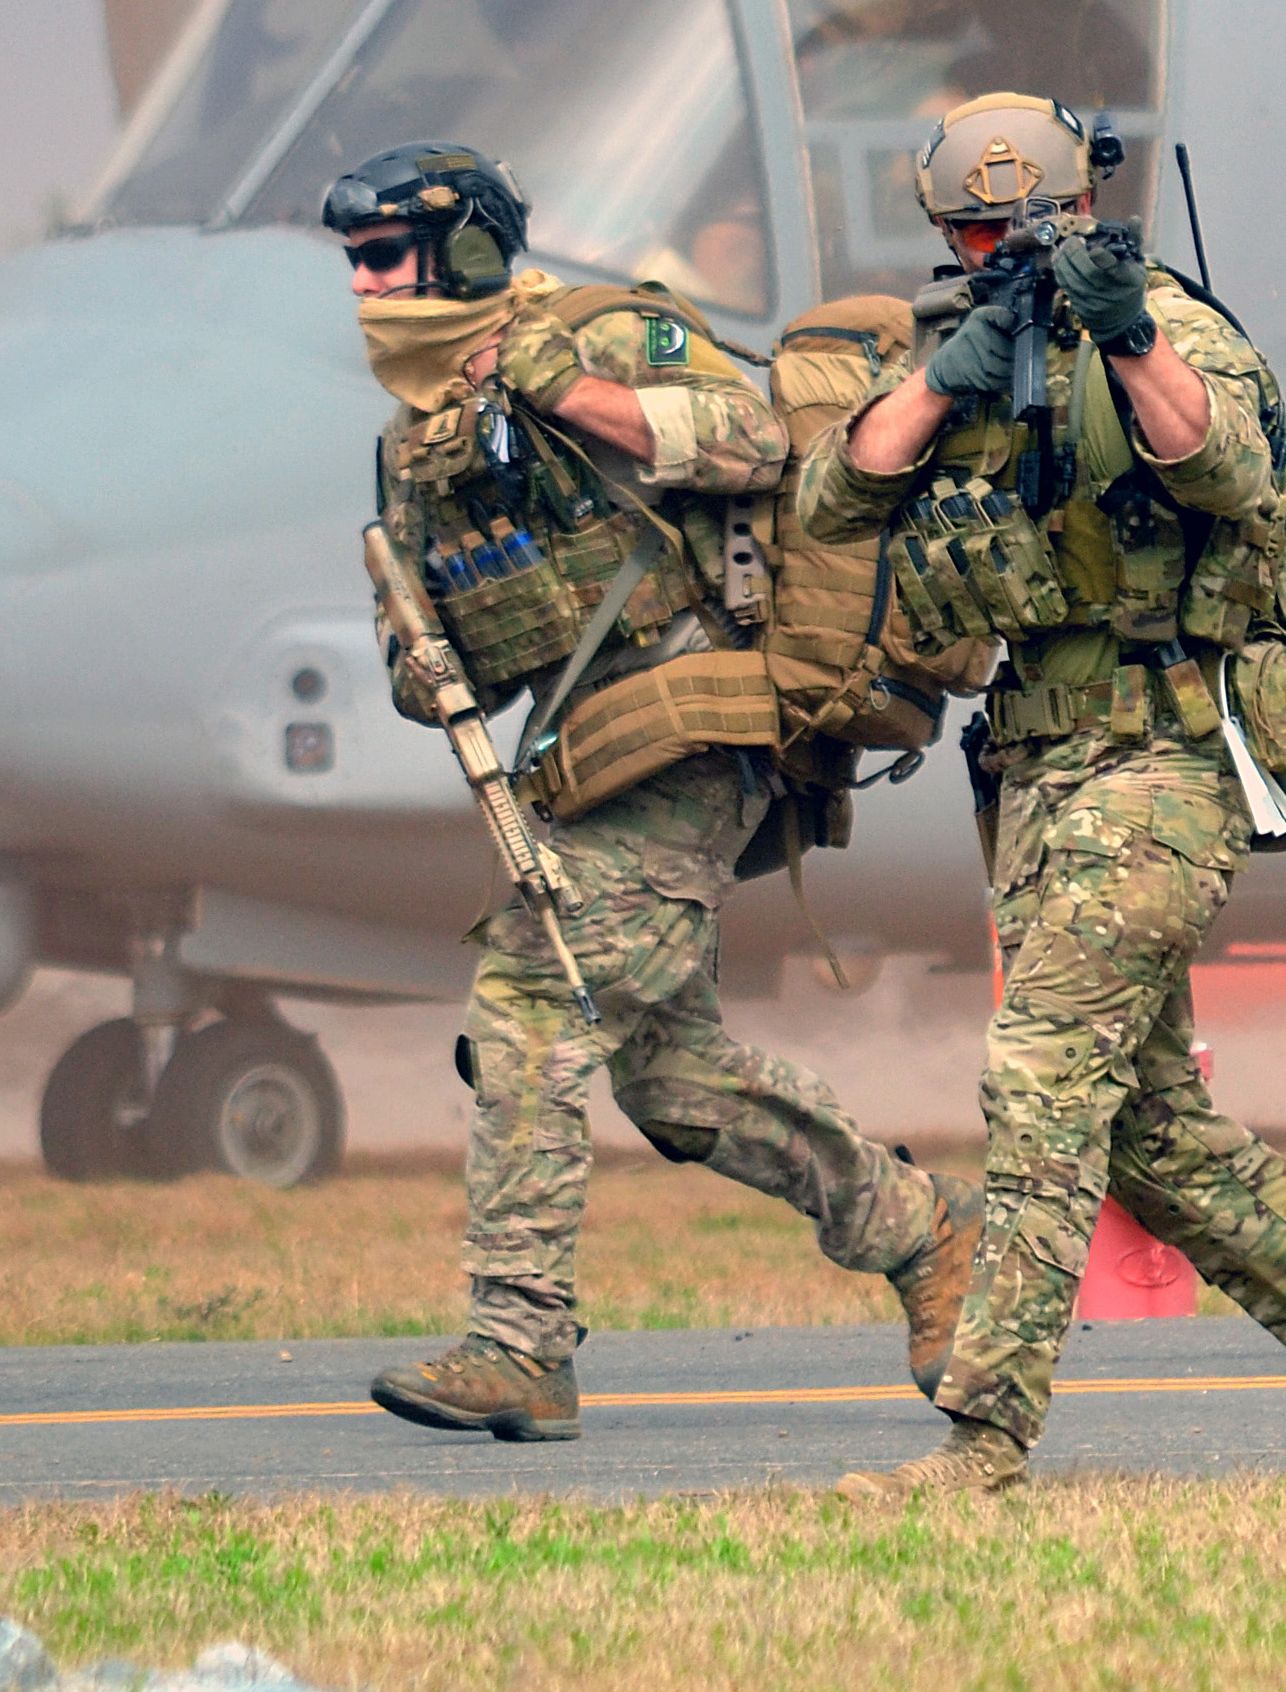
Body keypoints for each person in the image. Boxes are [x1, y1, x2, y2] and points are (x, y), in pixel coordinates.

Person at [800, 93, 1286, 1501]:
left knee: (1044, 1076)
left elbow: (1228, 465)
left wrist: (1121, 332)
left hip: (1164, 755)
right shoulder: (963, 360)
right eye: (967, 232)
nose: (988, 248)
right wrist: (956, 370)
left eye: (1011, 228)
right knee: (1150, 1133)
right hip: (1042, 767)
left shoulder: (1173, 329)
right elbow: (834, 497)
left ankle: (983, 1440)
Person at [332, 141, 976, 1439]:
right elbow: (446, 666)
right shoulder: (414, 452)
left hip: (700, 714)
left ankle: (519, 1341)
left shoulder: (599, 338)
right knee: (672, 1078)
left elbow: (754, 439)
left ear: (462, 251)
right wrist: (417, 662)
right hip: (586, 750)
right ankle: (926, 1235)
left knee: (533, 989)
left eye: (384, 256)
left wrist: (577, 400)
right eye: (351, 262)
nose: (361, 285)